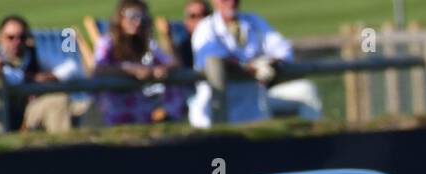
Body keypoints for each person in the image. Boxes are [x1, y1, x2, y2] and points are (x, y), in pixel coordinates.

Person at [187, 0, 291, 128]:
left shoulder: (254, 21)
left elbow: (283, 50)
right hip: (212, 114)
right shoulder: (205, 27)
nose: (230, 3)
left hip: (253, 111)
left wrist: (269, 63)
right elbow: (213, 58)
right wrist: (250, 67)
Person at [92, 0, 185, 125]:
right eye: (133, 16)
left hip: (140, 111)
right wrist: (131, 70)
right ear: (120, 18)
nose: (138, 22)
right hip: (113, 111)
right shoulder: (107, 43)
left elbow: (173, 62)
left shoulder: (145, 43)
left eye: (142, 17)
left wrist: (162, 69)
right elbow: (99, 68)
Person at [0, 15, 82, 131]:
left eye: (22, 37)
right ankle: (65, 147)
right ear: (0, 38)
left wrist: (50, 76)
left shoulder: (33, 53)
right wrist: (33, 79)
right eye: (10, 37)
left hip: (34, 110)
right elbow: (10, 78)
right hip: (8, 116)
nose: (17, 42)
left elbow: (73, 67)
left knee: (82, 106)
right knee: (57, 101)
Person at [175, 0, 210, 69]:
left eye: (204, 15)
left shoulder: (223, 41)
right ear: (186, 21)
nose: (199, 20)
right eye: (193, 16)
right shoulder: (182, 47)